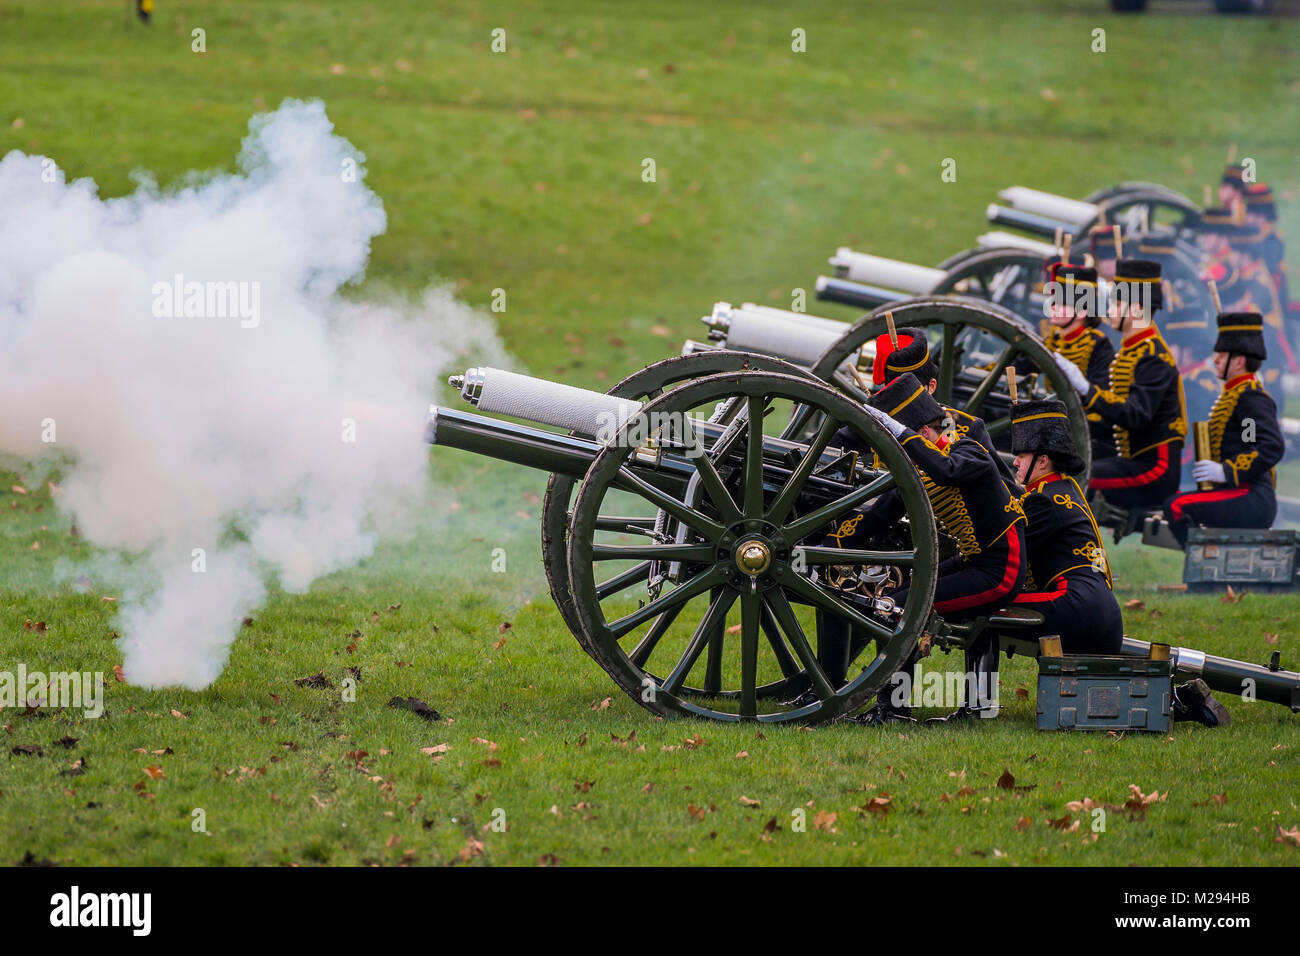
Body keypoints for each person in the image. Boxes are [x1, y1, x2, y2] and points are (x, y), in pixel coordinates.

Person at [823, 373, 1027, 724]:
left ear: (927, 432)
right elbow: (880, 515)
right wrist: (826, 546)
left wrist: (901, 433)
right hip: (974, 563)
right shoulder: (928, 464)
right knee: (901, 595)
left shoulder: (969, 451)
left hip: (1000, 571)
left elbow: (947, 470)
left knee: (895, 608)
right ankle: (912, 707)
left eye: (916, 438)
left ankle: (893, 710)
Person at [1053, 259, 1188, 516]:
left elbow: (1135, 415)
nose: (1110, 310)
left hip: (1153, 470)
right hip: (1130, 462)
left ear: (1136, 309)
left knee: (1064, 483)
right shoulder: (1132, 351)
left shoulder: (1153, 357)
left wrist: (1086, 389)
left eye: (1117, 304)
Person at [1007, 398, 1122, 654]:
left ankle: (978, 695)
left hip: (1075, 604)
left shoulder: (1042, 499)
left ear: (1042, 461)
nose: (1015, 462)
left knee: (982, 606)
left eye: (1022, 456)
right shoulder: (1065, 488)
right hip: (1103, 608)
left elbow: (1002, 554)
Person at [1163, 312, 1283, 547]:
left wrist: (1226, 472)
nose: (1215, 360)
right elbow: (1249, 442)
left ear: (1238, 362)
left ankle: (1202, 561)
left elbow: (1269, 447)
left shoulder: (1250, 399)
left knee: (1175, 506)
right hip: (1241, 492)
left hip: (1251, 495)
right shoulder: (1238, 395)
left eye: (1222, 355)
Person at [867, 327, 1016, 485]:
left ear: (931, 386)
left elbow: (1004, 489)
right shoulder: (866, 423)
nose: (904, 403)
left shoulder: (968, 428)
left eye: (913, 393)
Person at [1036, 261, 1116, 461]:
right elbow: (1018, 364)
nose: (1052, 307)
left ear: (1081, 312)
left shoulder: (1098, 345)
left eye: (1061, 303)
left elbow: (1101, 401)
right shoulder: (1054, 340)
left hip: (1084, 433)